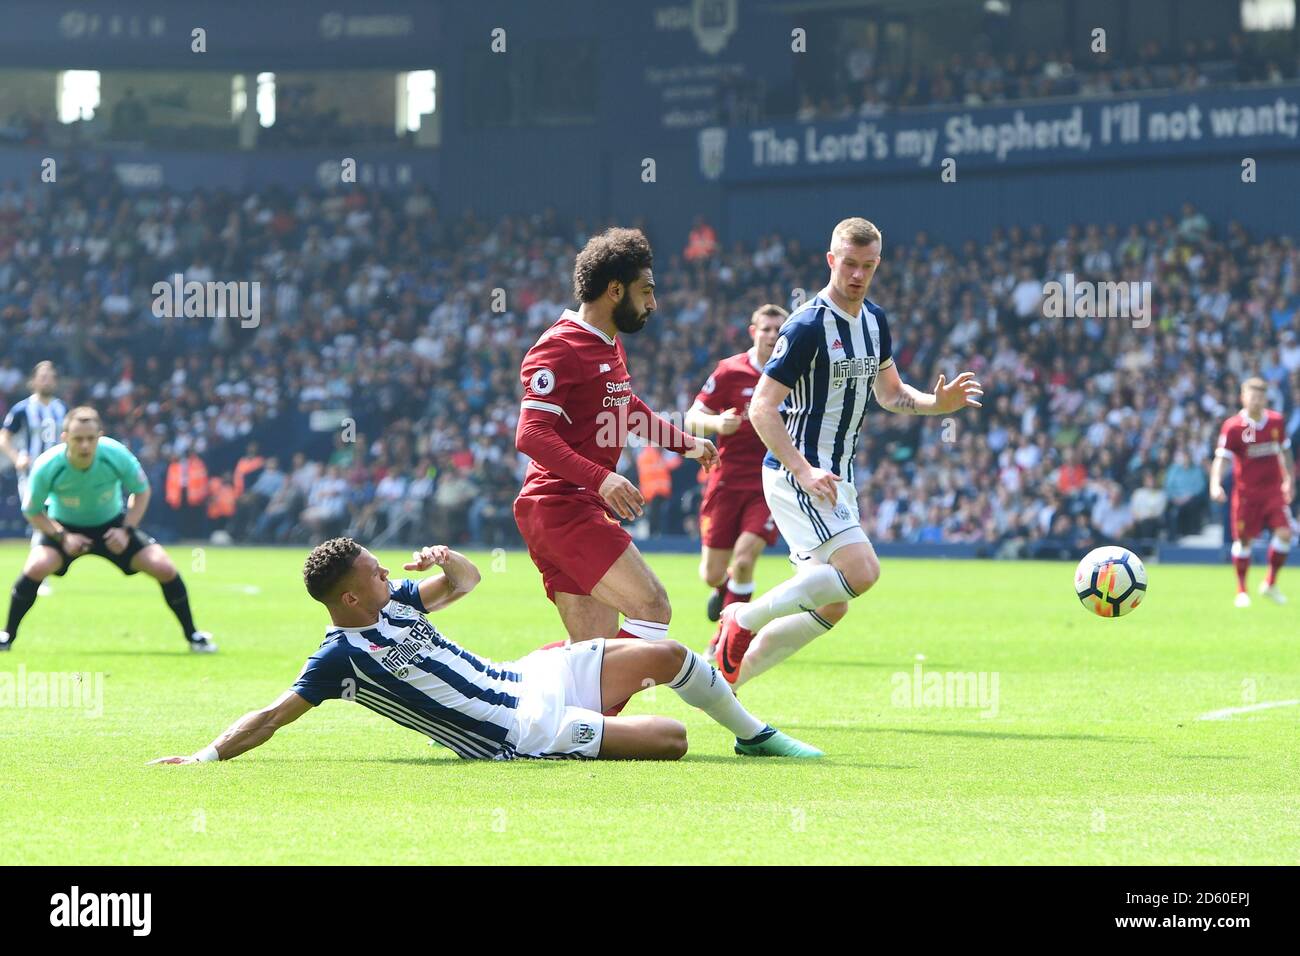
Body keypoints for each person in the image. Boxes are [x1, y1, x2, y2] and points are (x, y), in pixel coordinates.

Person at [149, 539, 822, 764]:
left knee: (667, 654)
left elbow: (467, 581)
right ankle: (609, 718)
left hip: (527, 673)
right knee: (672, 740)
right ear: (350, 599)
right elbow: (272, 715)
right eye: (375, 573)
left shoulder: (400, 601)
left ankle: (754, 736)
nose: (387, 573)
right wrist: (207, 756)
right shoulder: (340, 658)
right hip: (519, 730)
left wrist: (449, 557)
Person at [713, 217, 983, 687]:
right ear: (831, 261)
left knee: (831, 605)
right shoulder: (805, 327)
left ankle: (724, 683)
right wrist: (804, 470)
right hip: (798, 474)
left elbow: (890, 392)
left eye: (869, 266)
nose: (858, 275)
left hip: (837, 478)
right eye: (850, 264)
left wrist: (936, 404)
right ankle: (740, 619)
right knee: (862, 570)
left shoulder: (875, 321)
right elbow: (761, 408)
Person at [513, 228, 717, 714]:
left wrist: (685, 444)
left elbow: (627, 409)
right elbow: (532, 436)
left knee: (596, 664)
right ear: (615, 290)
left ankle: (543, 719)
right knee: (653, 609)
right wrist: (602, 478)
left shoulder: (607, 343)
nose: (654, 303)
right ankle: (511, 683)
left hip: (567, 508)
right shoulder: (558, 349)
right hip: (561, 507)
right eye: (647, 290)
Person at [1, 407, 215, 652]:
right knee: (37, 566)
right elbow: (32, 511)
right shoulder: (47, 464)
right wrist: (62, 536)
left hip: (112, 526)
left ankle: (194, 636)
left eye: (91, 439)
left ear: (99, 437)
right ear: (64, 438)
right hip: (62, 527)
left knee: (164, 568)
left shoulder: (115, 454)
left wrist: (126, 530)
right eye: (78, 439)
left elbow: (142, 491)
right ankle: (7, 635)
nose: (85, 446)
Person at [686, 304, 786, 628]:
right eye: (766, 329)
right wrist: (717, 423)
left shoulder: (794, 373)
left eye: (778, 330)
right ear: (753, 332)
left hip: (769, 480)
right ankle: (725, 588)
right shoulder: (729, 371)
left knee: (744, 560)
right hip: (726, 480)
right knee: (711, 572)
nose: (772, 335)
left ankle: (726, 640)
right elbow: (692, 418)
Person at [1210, 377, 1295, 606]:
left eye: (1260, 396)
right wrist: (1215, 483)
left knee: (1285, 534)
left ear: (1265, 398)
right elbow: (1222, 458)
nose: (1256, 400)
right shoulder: (1233, 426)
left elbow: (1285, 452)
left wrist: (1289, 481)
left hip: (1272, 492)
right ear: (1242, 397)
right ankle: (1242, 590)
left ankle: (1270, 583)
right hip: (1246, 495)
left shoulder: (1276, 421)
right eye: (1251, 396)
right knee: (1244, 541)